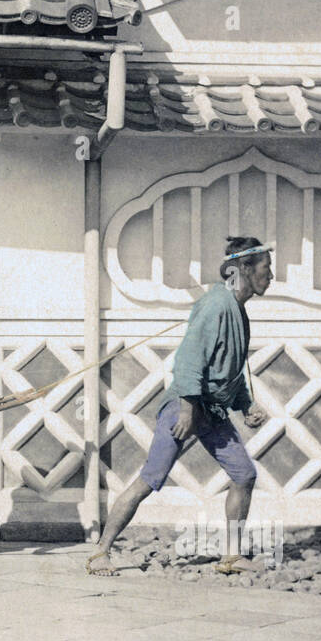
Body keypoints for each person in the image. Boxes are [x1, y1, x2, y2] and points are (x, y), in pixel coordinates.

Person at [86, 236, 272, 577]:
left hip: (212, 412)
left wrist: (246, 406)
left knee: (244, 475)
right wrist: (186, 412)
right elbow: (188, 362)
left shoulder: (238, 311)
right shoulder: (215, 305)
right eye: (265, 268)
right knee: (149, 479)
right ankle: (100, 552)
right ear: (243, 269)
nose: (270, 276)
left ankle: (231, 556)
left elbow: (229, 372)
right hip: (184, 408)